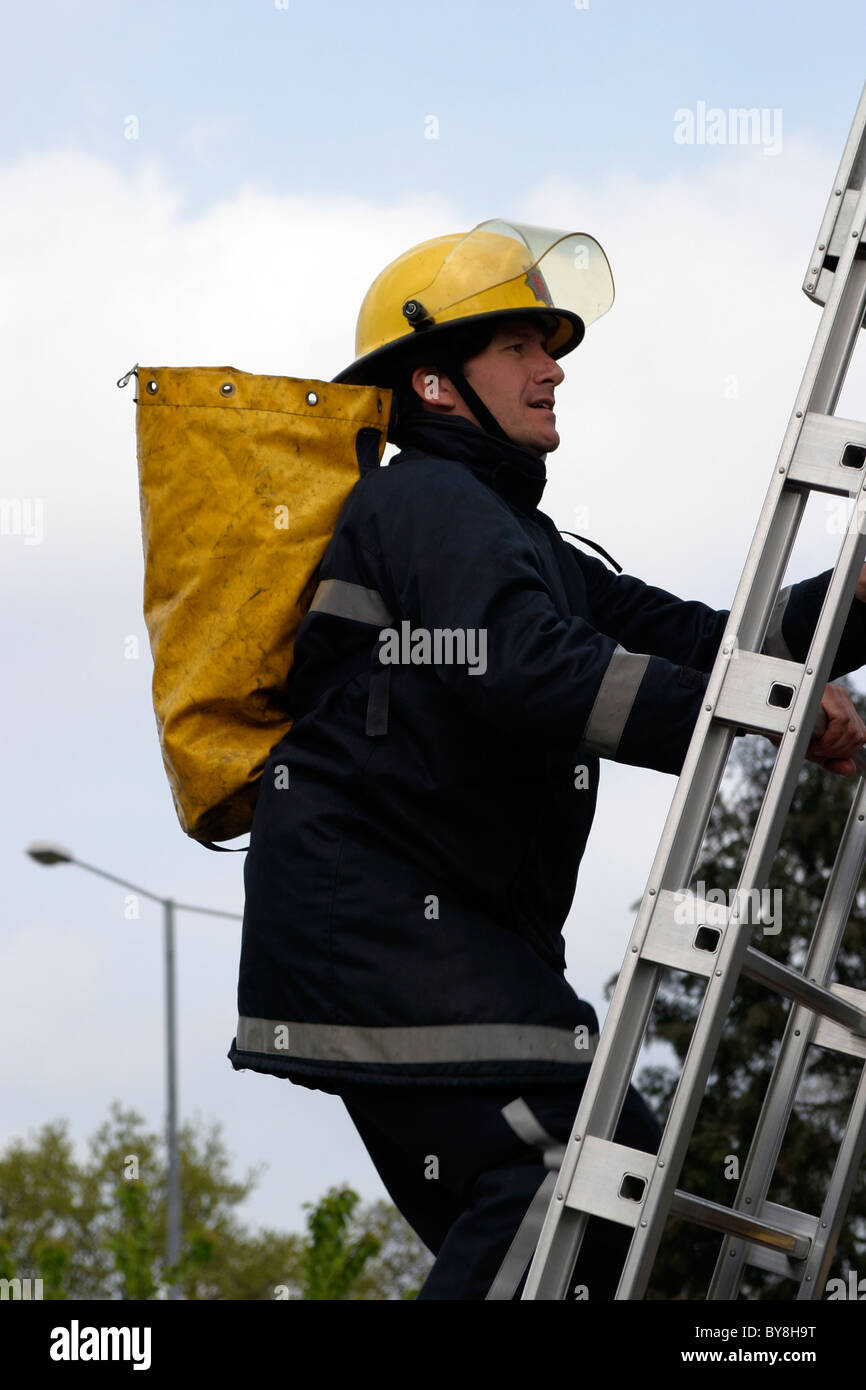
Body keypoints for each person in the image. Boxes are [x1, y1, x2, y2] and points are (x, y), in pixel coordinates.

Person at [229, 219, 866, 1299]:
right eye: (519, 346)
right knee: (576, 1155)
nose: (551, 366)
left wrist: (843, 610)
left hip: (433, 936)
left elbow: (719, 641)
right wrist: (780, 716)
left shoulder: (525, 545)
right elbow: (531, 672)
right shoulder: (424, 502)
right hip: (377, 927)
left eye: (548, 344)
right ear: (434, 384)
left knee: (595, 1207)